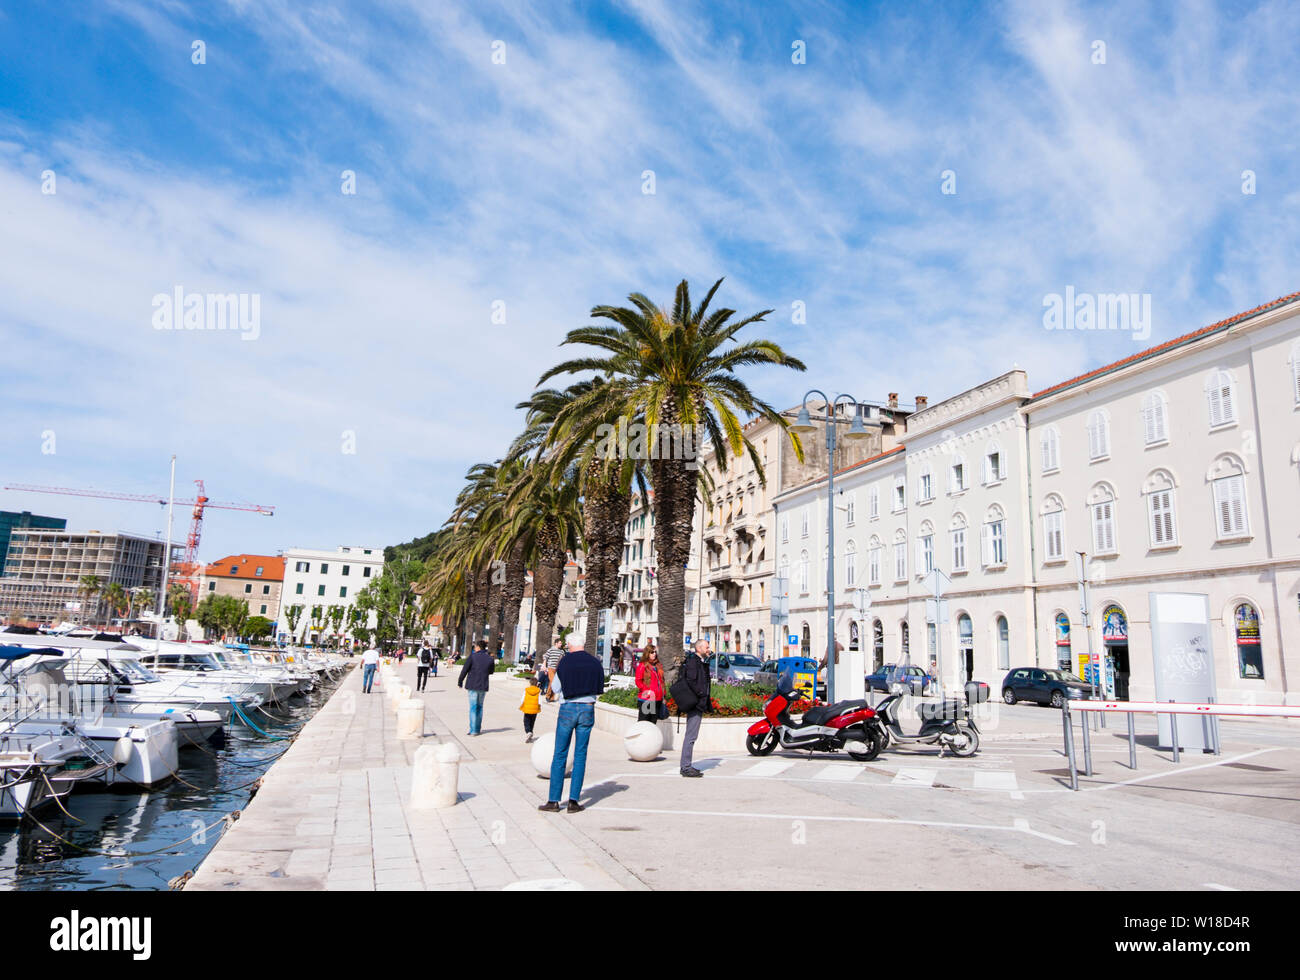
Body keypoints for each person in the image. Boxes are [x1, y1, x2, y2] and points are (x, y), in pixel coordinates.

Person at [538, 636, 604, 813]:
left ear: (569, 645)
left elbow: (557, 688)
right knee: (580, 754)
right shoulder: (595, 662)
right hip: (587, 708)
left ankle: (553, 800)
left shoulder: (566, 662)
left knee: (560, 753)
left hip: (568, 708)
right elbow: (599, 686)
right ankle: (574, 801)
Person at [679, 639, 712, 777]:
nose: (709, 649)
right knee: (691, 736)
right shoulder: (694, 662)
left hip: (697, 702)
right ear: (699, 648)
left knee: (692, 735)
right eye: (707, 647)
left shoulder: (700, 661)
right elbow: (692, 681)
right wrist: (701, 694)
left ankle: (686, 765)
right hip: (695, 703)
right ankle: (686, 767)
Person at [458, 640, 495, 736]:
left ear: (478, 647)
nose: (474, 648)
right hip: (483, 685)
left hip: (473, 685)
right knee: (480, 707)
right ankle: (477, 729)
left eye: (475, 646)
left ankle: (473, 730)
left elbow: (465, 669)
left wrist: (460, 681)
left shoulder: (473, 656)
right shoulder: (490, 658)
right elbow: (491, 671)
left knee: (473, 707)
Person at [635, 646, 665, 721]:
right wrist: (647, 691)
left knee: (652, 723)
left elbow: (661, 681)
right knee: (644, 723)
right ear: (647, 653)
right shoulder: (643, 665)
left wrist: (663, 693)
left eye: (655, 652)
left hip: (657, 699)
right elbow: (638, 681)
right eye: (652, 652)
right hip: (647, 699)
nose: (654, 654)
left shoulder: (658, 665)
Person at [543, 635, 565, 701]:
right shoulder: (551, 650)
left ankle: (551, 697)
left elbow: (563, 660)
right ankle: (548, 696)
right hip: (551, 668)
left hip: (558, 669)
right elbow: (545, 658)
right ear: (556, 643)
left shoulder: (562, 651)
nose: (561, 644)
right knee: (553, 681)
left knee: (552, 682)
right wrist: (544, 666)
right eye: (560, 643)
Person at [519, 677, 541, 743]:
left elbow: (522, 699)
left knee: (526, 721)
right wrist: (539, 706)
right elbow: (540, 701)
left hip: (527, 709)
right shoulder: (538, 690)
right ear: (537, 684)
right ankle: (530, 733)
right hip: (535, 710)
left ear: (530, 683)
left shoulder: (526, 690)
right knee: (532, 722)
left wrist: (522, 704)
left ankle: (528, 732)